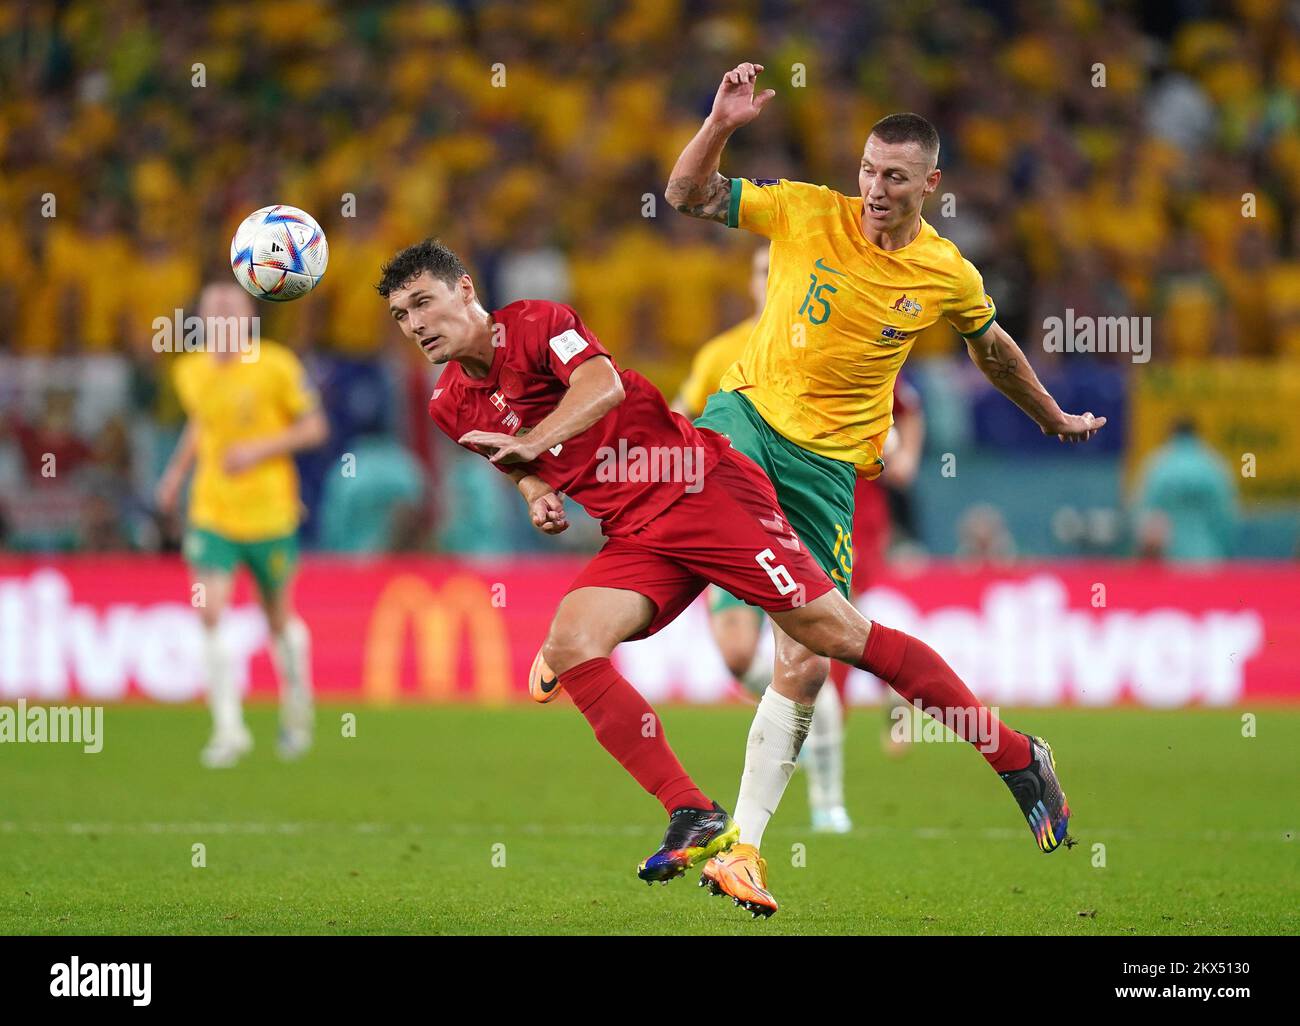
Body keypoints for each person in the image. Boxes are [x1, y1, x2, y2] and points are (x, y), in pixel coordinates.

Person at [378, 238, 1075, 909]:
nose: (415, 324)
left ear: (465, 289)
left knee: (834, 635)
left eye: (423, 302)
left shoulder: (537, 323)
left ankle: (1014, 755)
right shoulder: (448, 404)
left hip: (698, 488)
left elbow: (602, 385)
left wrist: (533, 440)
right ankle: (692, 812)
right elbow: (516, 463)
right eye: (401, 316)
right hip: (635, 530)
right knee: (570, 643)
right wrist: (537, 493)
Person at [665, 62, 1103, 915]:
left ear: (929, 184)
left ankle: (748, 847)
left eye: (894, 176)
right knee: (703, 460)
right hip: (750, 419)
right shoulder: (803, 209)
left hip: (830, 474)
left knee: (808, 660)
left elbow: (994, 350)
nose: (873, 188)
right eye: (867, 170)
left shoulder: (946, 273)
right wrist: (719, 121)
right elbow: (686, 193)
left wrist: (1049, 412)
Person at [156, 282, 329, 767]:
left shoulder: (277, 365)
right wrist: (174, 474)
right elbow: (202, 423)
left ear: (248, 316)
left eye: (231, 308)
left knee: (278, 618)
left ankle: (297, 711)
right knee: (209, 612)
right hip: (211, 512)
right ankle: (228, 730)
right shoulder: (190, 370)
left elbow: (314, 427)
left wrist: (258, 449)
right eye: (213, 310)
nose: (222, 317)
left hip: (271, 512)